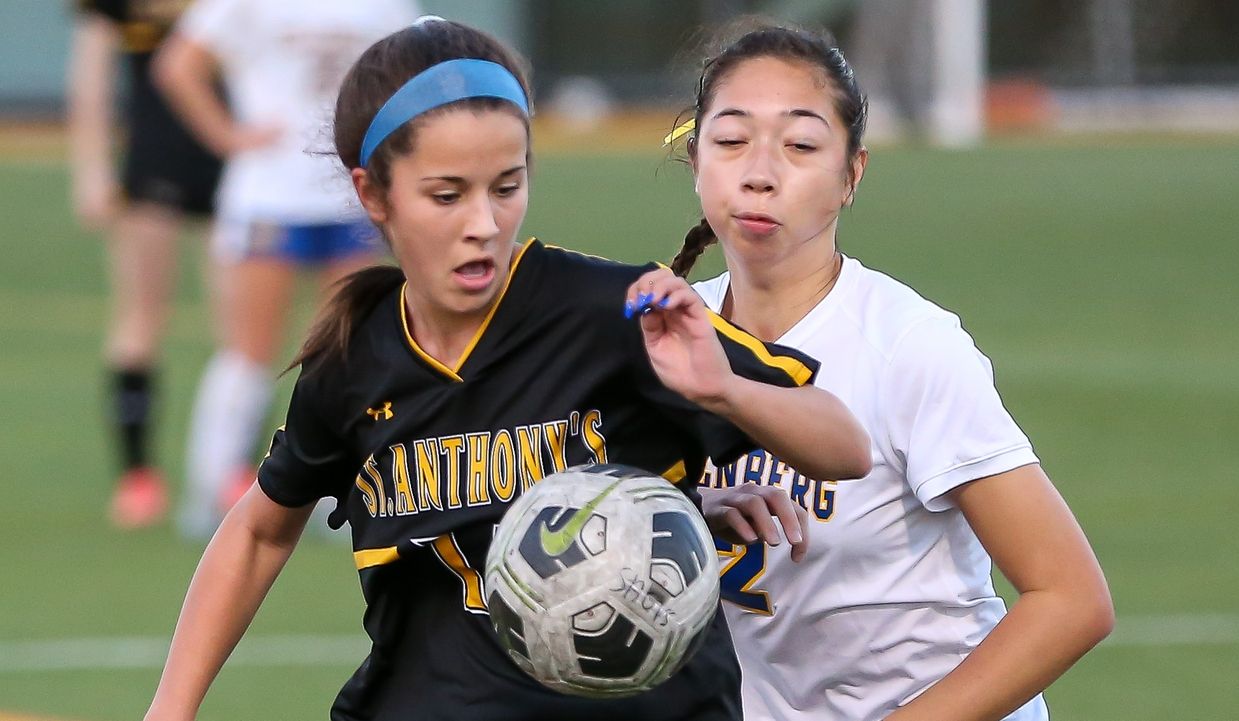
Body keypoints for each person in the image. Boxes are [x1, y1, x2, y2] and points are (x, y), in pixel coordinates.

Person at [144, 17, 872, 721]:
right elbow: (259, 533)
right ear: (373, 195)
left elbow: (844, 446)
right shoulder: (353, 361)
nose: (484, 223)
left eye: (506, 185)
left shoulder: (611, 313)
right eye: (447, 194)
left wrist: (725, 389)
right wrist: (171, 707)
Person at [668, 24, 1115, 721]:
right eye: (731, 141)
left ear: (851, 175)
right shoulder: (669, 339)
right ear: (695, 159)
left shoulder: (907, 346)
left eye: (801, 145)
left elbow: (1073, 599)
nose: (760, 172)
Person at [151, 0, 419, 538]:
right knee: (251, 350)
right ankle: (210, 492)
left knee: (346, 345)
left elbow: (415, 71)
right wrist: (228, 136)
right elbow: (178, 65)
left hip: (349, 192)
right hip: (268, 195)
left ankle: (341, 490)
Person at [67, 0, 224, 529]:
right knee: (139, 319)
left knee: (242, 335)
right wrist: (91, 169)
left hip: (228, 163)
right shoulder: (110, 8)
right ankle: (137, 477)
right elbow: (89, 86)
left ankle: (238, 469)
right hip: (150, 169)